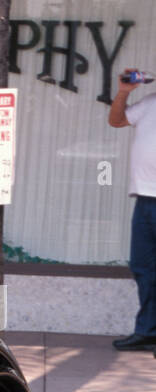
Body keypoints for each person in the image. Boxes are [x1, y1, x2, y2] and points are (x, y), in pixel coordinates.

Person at [109, 68, 156, 351]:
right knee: (143, 267)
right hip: (145, 199)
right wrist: (124, 92)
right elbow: (116, 120)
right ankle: (148, 331)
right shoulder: (150, 103)